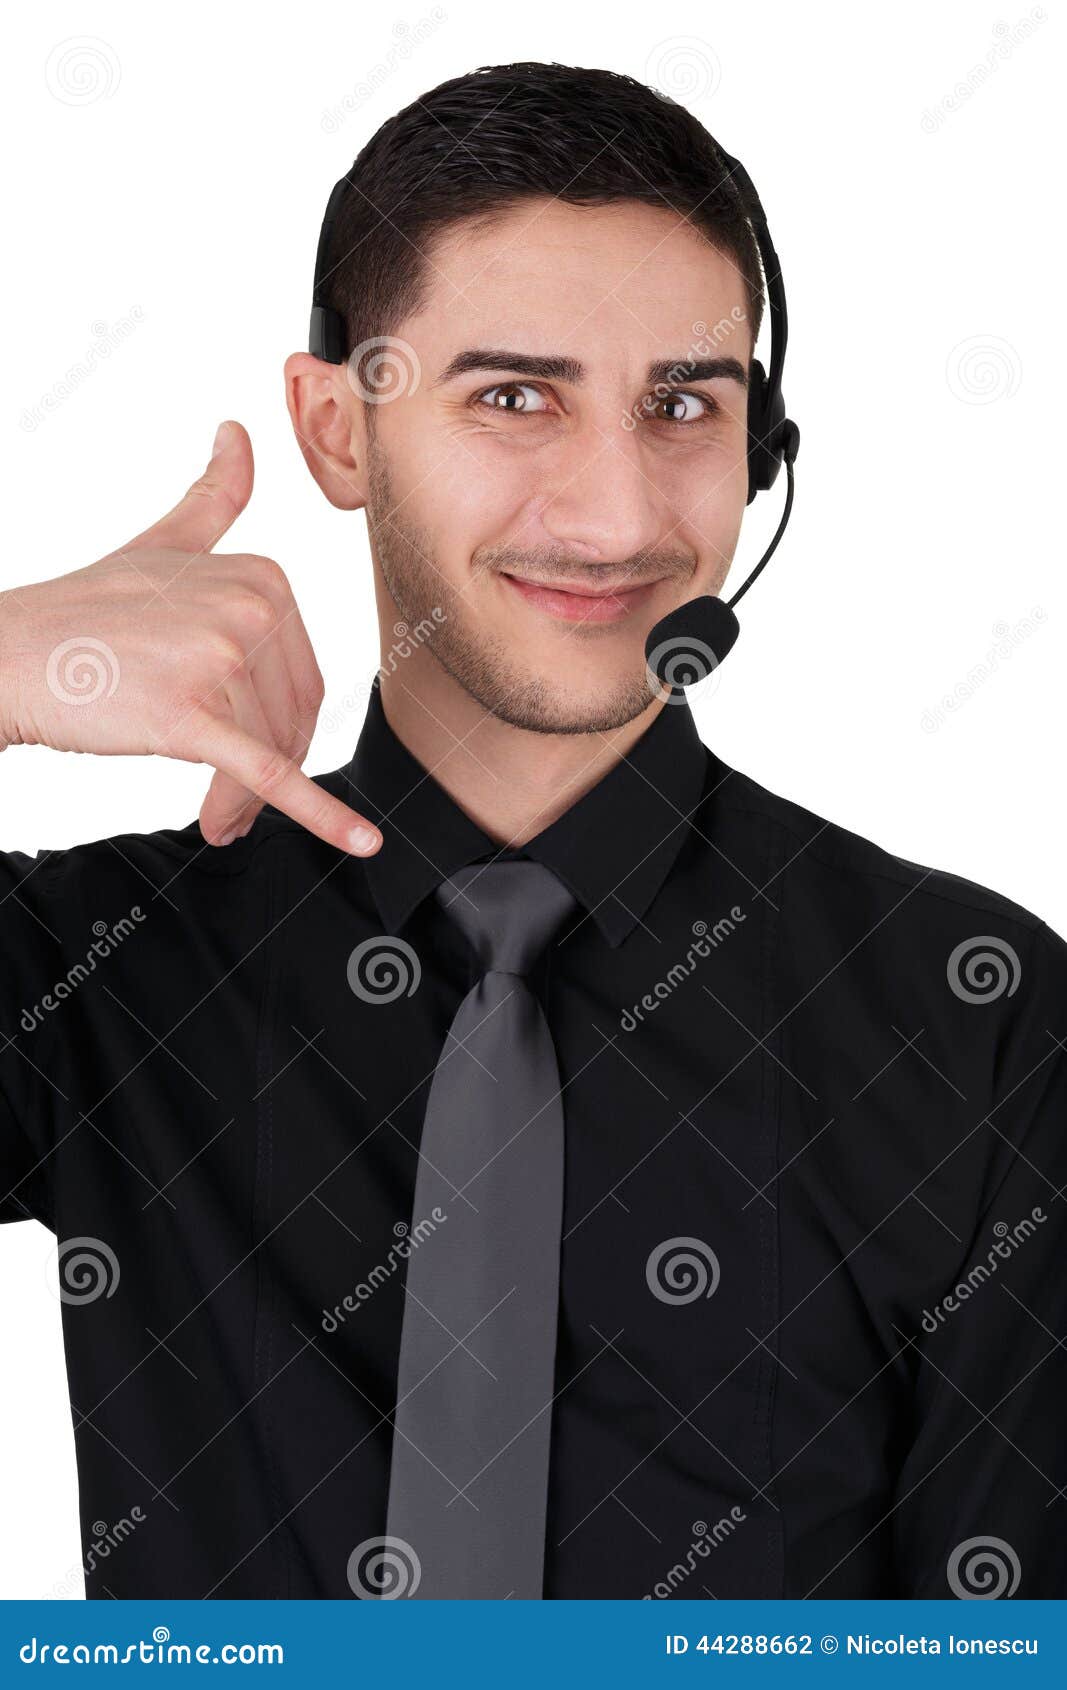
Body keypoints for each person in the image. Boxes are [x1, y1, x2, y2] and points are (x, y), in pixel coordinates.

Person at [1, 62, 1064, 1602]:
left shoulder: (978, 1016)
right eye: (516, 396)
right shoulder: (99, 977)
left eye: (684, 405)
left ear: (764, 444)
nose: (621, 515)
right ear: (339, 432)